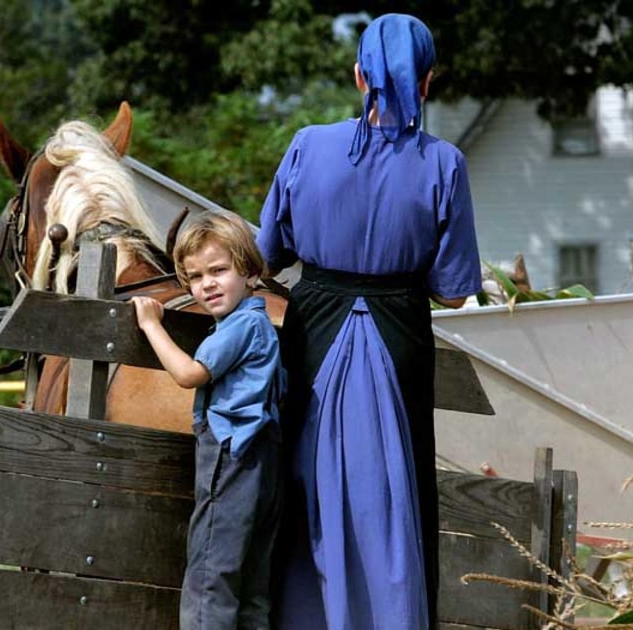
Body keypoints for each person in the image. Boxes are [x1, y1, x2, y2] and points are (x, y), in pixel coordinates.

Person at [255, 13, 482, 630]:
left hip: (314, 332)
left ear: (359, 76)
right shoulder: (445, 163)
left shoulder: (307, 144)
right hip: (399, 335)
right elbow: (455, 292)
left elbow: (265, 254)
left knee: (304, 484)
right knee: (395, 494)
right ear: (428, 83)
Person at [132, 211, 285, 629]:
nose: (207, 285)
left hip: (231, 456)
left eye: (219, 270)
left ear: (250, 272)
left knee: (209, 575)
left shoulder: (239, 328)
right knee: (252, 584)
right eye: (196, 277)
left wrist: (151, 324)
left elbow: (188, 375)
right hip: (263, 459)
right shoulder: (260, 325)